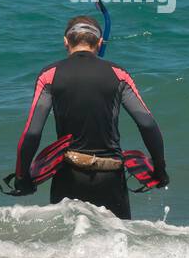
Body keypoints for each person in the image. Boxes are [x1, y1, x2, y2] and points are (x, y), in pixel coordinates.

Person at [12, 15, 168, 218]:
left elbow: (32, 132)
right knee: (117, 244)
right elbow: (147, 124)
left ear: (66, 41)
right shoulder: (119, 74)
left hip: (69, 173)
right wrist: (159, 170)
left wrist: (22, 178)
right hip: (110, 175)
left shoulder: (49, 75)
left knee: (68, 244)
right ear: (100, 42)